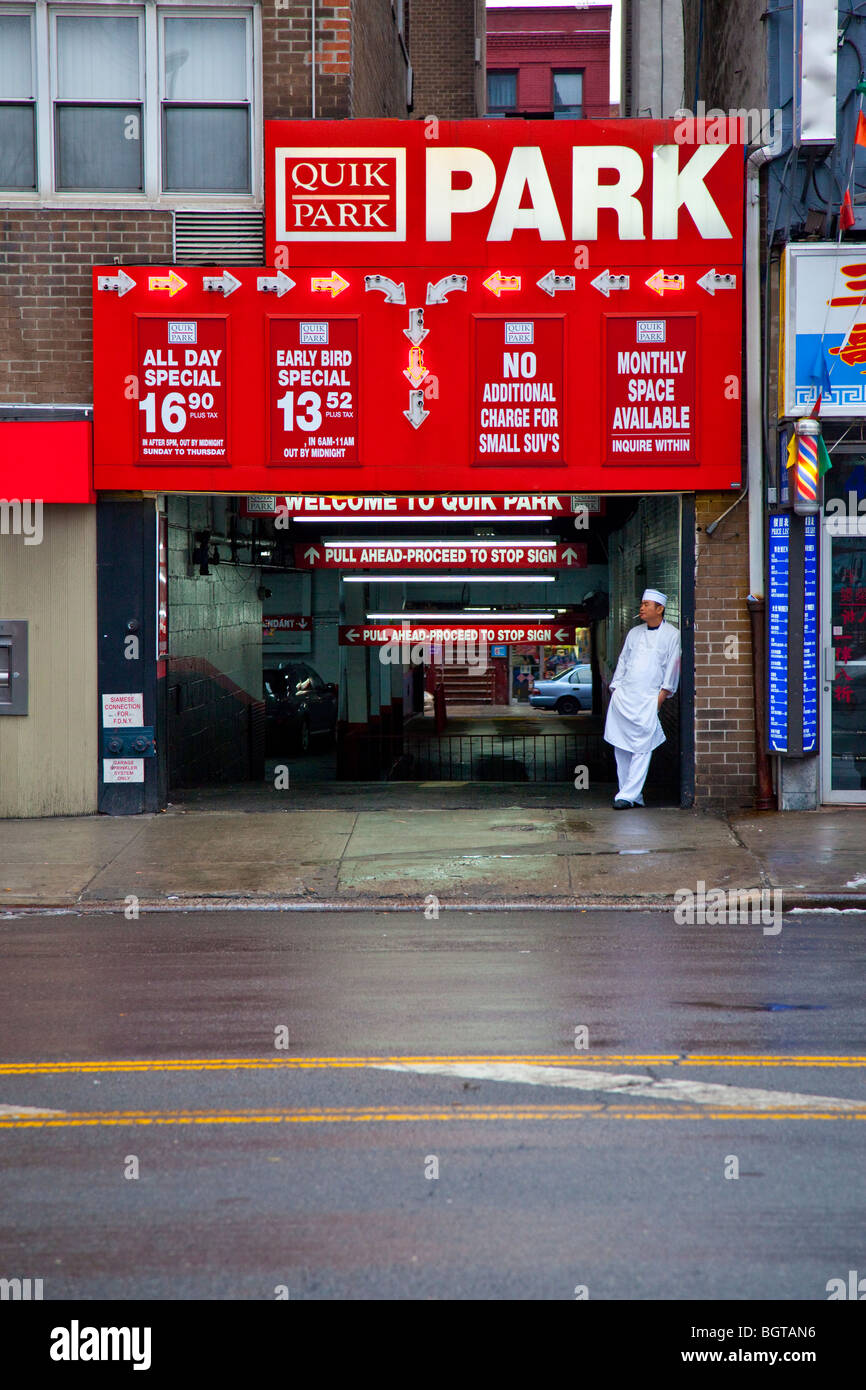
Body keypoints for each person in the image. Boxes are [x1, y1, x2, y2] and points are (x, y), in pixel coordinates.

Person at [603, 588, 681, 809]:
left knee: (642, 747)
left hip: (648, 698)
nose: (642, 607)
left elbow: (672, 670)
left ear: (660, 609)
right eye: (642, 604)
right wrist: (615, 689)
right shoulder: (634, 633)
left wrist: (661, 697)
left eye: (647, 604)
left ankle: (627, 795)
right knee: (621, 746)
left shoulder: (672, 635)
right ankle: (630, 794)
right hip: (624, 697)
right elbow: (623, 662)